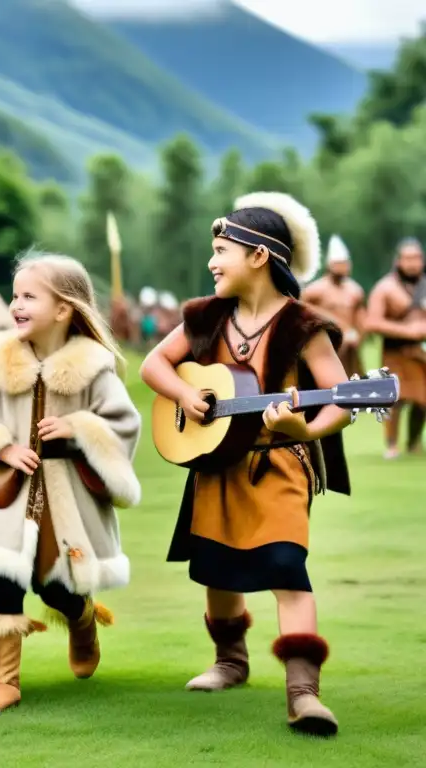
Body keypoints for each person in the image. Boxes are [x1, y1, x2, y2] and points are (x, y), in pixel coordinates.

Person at [140, 192, 353, 737]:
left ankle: (304, 694)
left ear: (258, 256)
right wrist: (185, 398)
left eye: (220, 250)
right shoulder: (205, 317)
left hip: (278, 462)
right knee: (215, 566)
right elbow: (153, 365)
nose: (211, 262)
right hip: (214, 461)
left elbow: (343, 402)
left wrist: (302, 427)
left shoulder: (302, 326)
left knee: (286, 565)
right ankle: (231, 662)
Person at [0, 251, 142, 715]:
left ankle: (82, 616)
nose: (17, 305)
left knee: (54, 586)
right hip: (8, 494)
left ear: (65, 308)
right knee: (5, 572)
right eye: (15, 296)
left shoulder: (95, 368)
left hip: (64, 495)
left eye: (29, 296)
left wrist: (80, 428)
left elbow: (123, 425)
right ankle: (4, 682)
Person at [362, 237, 426, 458]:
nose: (413, 263)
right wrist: (408, 330)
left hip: (421, 353)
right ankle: (391, 445)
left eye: (417, 257)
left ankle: (414, 442)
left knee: (422, 401)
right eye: (408, 258)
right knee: (395, 399)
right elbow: (371, 322)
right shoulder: (385, 288)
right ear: (398, 261)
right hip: (395, 353)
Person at [302, 235, 365, 378]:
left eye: (345, 263)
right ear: (330, 265)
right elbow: (304, 311)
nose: (342, 267)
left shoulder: (355, 290)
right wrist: (336, 323)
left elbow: (361, 319)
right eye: (338, 263)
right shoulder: (315, 290)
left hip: (349, 346)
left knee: (351, 380)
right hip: (326, 344)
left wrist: (358, 337)